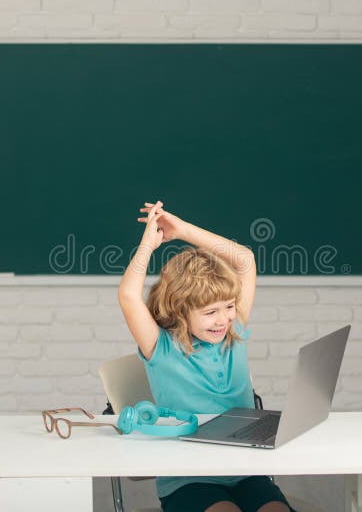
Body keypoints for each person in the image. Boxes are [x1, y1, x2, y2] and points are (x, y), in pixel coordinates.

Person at [118, 200, 293, 512]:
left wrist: (182, 229)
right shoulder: (161, 347)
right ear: (180, 311)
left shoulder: (233, 331)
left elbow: (245, 261)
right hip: (189, 479)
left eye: (228, 306)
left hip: (244, 471)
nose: (224, 319)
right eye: (210, 312)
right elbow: (129, 295)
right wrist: (148, 244)